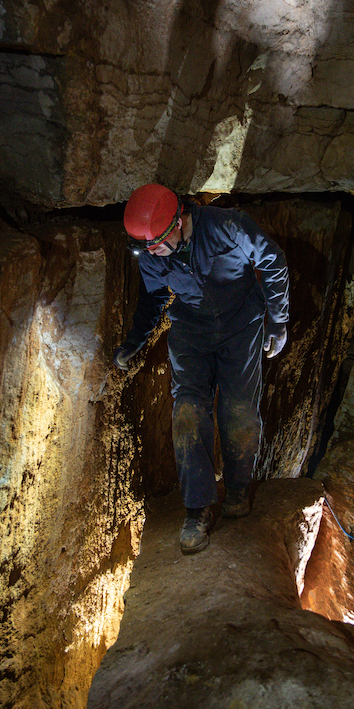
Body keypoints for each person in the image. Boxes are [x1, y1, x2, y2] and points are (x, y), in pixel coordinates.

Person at [113, 184, 289, 555]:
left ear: (178, 221)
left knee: (238, 409)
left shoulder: (228, 226)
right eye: (144, 246)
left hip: (241, 325)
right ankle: (197, 510)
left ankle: (237, 489)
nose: (151, 252)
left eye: (157, 243)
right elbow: (153, 298)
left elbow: (272, 261)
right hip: (191, 330)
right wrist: (133, 342)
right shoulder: (152, 250)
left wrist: (278, 320)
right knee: (188, 411)